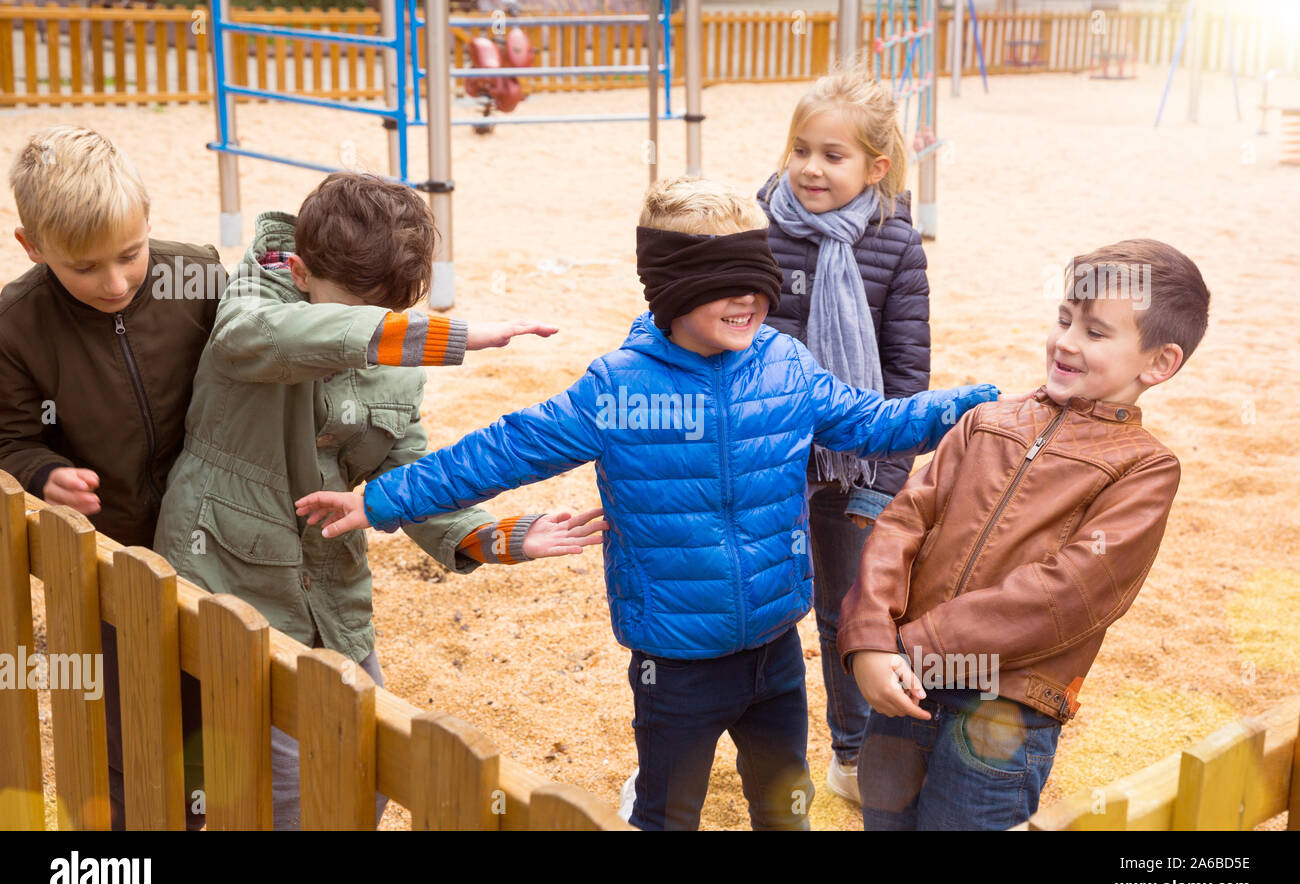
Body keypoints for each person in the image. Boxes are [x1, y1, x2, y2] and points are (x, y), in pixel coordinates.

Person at [295, 175, 1000, 831]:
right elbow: (504, 450)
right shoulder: (619, 388)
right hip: (677, 659)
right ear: (670, 289)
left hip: (776, 647)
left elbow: (878, 422)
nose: (748, 300)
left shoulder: (786, 366)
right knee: (669, 809)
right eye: (723, 285)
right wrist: (383, 499)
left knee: (786, 802)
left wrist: (976, 407)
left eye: (756, 281)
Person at [152, 171, 605, 830]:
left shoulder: (396, 346)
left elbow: (408, 466)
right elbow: (262, 338)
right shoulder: (256, 299)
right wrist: (431, 335)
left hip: (330, 590)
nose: (380, 332)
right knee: (279, 781)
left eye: (392, 316)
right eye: (364, 315)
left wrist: (492, 535)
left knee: (365, 761)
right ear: (302, 271)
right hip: (226, 575)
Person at [838, 239, 1210, 830]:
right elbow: (901, 524)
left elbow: (1068, 593)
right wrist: (870, 637)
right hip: (903, 686)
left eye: (1095, 331)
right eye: (1064, 319)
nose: (1065, 341)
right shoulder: (986, 421)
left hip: (1001, 709)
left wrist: (916, 644)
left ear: (1158, 363)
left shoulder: (1144, 469)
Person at [0, 126, 223, 830]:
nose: (116, 282)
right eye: (84, 267)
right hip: (111, 559)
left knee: (217, 706)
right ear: (32, 246)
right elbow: (10, 438)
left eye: (130, 255)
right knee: (127, 722)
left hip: (212, 544)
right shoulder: (17, 325)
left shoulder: (200, 278)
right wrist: (44, 472)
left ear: (148, 218)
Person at [758, 60, 931, 803]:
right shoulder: (756, 226)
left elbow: (906, 373)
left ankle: (852, 753)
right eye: (801, 149)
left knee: (845, 614)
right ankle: (748, 748)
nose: (810, 167)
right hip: (766, 456)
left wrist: (883, 484)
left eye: (833, 155)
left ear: (876, 165)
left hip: (852, 467)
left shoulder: (895, 243)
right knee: (757, 605)